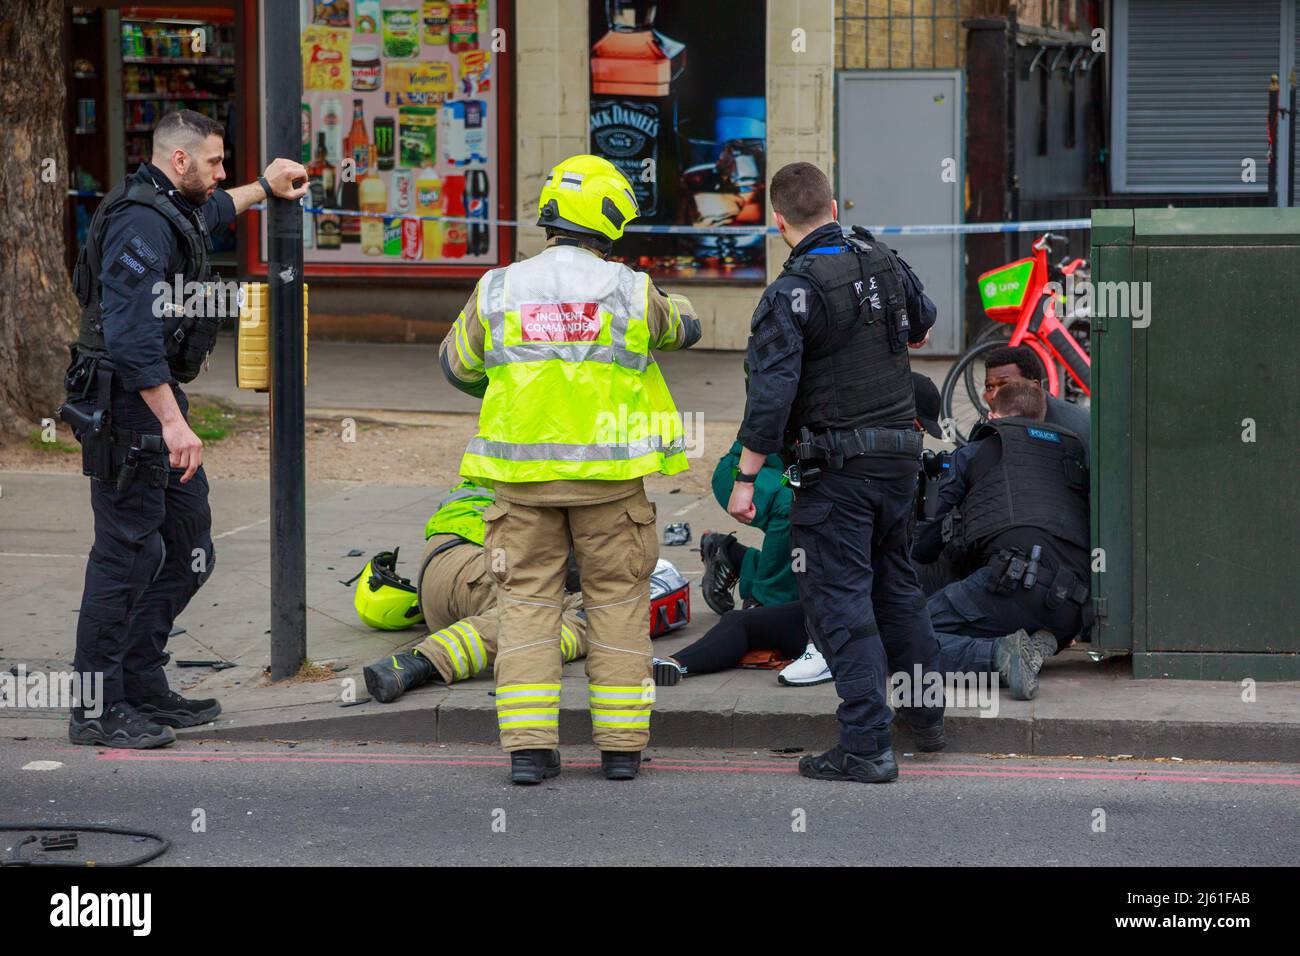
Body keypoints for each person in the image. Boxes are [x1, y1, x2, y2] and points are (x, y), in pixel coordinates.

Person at [438, 154, 700, 785]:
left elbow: (456, 364)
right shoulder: (631, 290)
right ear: (606, 221)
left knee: (526, 606)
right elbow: (685, 328)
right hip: (609, 485)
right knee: (617, 604)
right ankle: (619, 751)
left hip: (521, 486)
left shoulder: (498, 287)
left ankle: (529, 752)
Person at [64, 109, 307, 749]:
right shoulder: (140, 222)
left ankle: (140, 683)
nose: (221, 171)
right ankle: (96, 707)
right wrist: (172, 422)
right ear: (179, 160)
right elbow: (129, 332)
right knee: (127, 555)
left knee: (188, 547)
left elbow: (215, 209)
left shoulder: (174, 202)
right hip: (127, 405)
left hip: (151, 403)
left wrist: (265, 183)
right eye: (215, 161)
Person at [726, 162, 944, 784]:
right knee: (898, 589)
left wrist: (747, 477)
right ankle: (927, 720)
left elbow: (772, 391)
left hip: (836, 470)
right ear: (832, 205)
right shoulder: (879, 256)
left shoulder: (789, 291)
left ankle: (867, 745)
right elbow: (924, 321)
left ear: (778, 221)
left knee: (840, 602)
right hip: (900, 458)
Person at [913, 379, 1092, 700]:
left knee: (904, 636)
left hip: (1010, 584)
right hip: (1072, 613)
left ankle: (999, 655)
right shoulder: (1075, 453)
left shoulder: (977, 451)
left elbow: (925, 542)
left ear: (993, 417)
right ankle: (1038, 640)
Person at [359, 481, 588, 702]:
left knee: (561, 611)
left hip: (443, 577)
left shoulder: (506, 458)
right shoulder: (572, 478)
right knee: (598, 614)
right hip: (478, 565)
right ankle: (421, 661)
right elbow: (579, 570)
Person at [982, 345, 1090, 462]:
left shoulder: (1072, 429)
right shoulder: (989, 429)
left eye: (1005, 386)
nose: (994, 395)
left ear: (1034, 387)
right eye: (989, 387)